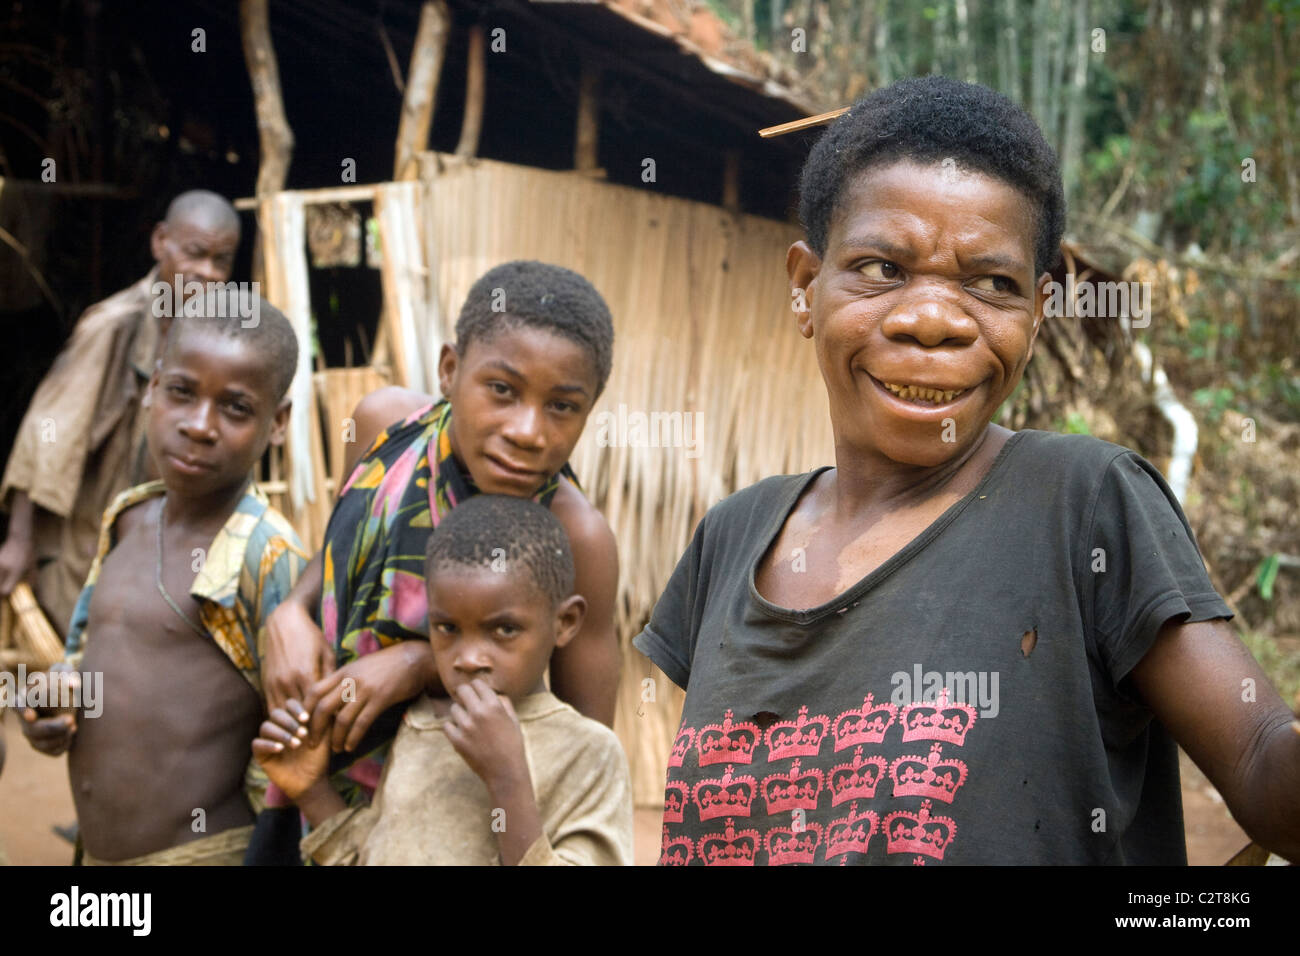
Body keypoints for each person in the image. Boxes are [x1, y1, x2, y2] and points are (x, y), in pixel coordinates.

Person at [635, 76, 1300, 865]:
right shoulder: (733, 537)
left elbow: (1261, 756)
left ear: (1038, 310)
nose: (933, 321)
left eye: (991, 284)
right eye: (882, 268)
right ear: (806, 287)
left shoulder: (1080, 503)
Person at [259, 261, 621, 818]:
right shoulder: (385, 429)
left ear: (590, 408)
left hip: (455, 819)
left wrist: (420, 665)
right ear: (450, 369)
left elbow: (584, 757)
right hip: (310, 783)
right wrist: (291, 610)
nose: (527, 431)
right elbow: (342, 549)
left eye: (562, 406)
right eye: (502, 390)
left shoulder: (577, 538)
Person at [19, 288, 307, 865]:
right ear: (152, 388)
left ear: (277, 424)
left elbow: (296, 735)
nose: (200, 425)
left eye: (235, 408)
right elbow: (87, 658)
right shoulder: (127, 519)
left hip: (203, 853)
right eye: (181, 393)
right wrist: (56, 706)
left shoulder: (264, 554)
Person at [254, 494, 634, 865]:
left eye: (504, 629)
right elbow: (375, 853)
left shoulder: (589, 752)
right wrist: (312, 790)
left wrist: (507, 780)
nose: (468, 659)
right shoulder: (421, 723)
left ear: (564, 623)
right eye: (447, 628)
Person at [0, 190, 241, 638]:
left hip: (155, 550)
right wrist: (20, 539)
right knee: (60, 677)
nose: (206, 273)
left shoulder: (210, 335)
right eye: (195, 254)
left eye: (221, 261)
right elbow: (46, 432)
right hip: (84, 544)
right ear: (160, 242)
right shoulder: (114, 326)